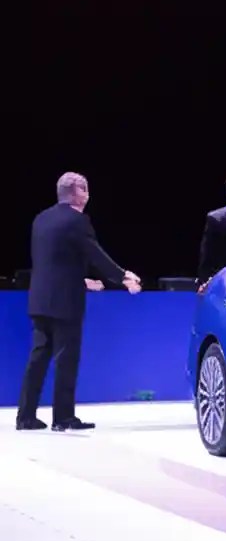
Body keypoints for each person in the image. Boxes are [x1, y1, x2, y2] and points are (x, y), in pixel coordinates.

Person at [17, 172, 141, 432]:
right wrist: (123, 276)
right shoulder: (77, 221)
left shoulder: (41, 219)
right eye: (85, 190)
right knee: (66, 359)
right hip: (65, 302)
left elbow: (53, 261)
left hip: (40, 298)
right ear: (77, 192)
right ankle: (63, 417)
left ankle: (25, 417)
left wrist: (81, 280)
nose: (88, 195)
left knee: (38, 358)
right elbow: (94, 254)